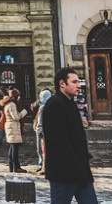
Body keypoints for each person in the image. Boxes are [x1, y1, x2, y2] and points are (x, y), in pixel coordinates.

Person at [42, 67, 98, 204]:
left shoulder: (69, 103)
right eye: (74, 82)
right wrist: (75, 166)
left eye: (78, 82)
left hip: (80, 170)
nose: (78, 85)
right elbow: (58, 142)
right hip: (64, 172)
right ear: (62, 84)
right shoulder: (54, 104)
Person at [3, 87, 28, 173]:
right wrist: (25, 112)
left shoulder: (8, 104)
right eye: (18, 96)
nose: (19, 98)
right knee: (14, 147)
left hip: (11, 126)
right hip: (13, 126)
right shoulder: (12, 105)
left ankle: (11, 167)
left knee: (12, 147)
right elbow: (16, 117)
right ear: (15, 96)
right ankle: (16, 167)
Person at [32, 88, 52, 175]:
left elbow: (40, 122)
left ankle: (43, 166)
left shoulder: (43, 107)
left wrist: (39, 130)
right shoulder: (51, 106)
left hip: (43, 132)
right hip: (49, 130)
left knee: (42, 149)